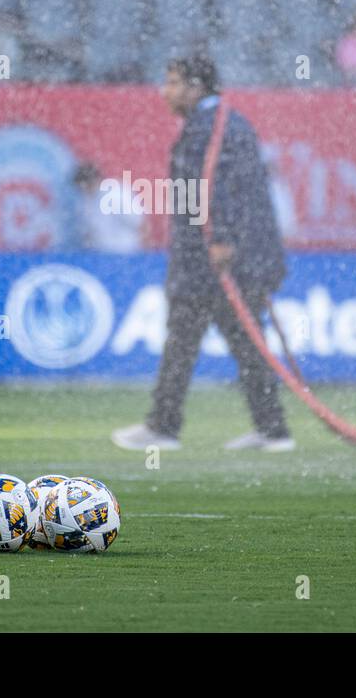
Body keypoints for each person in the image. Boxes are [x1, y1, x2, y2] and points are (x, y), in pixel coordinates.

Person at [112, 57, 293, 453]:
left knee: (186, 339)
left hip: (214, 261)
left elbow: (222, 185)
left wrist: (222, 239)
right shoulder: (222, 123)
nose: (166, 91)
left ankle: (164, 426)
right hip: (222, 259)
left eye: (173, 82)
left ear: (197, 87)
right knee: (240, 343)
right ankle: (272, 428)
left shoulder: (212, 129)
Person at [72, 161, 144, 254]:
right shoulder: (87, 201)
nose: (83, 191)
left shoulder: (116, 194)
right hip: (99, 255)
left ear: (94, 180)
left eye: (85, 186)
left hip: (124, 253)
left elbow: (139, 223)